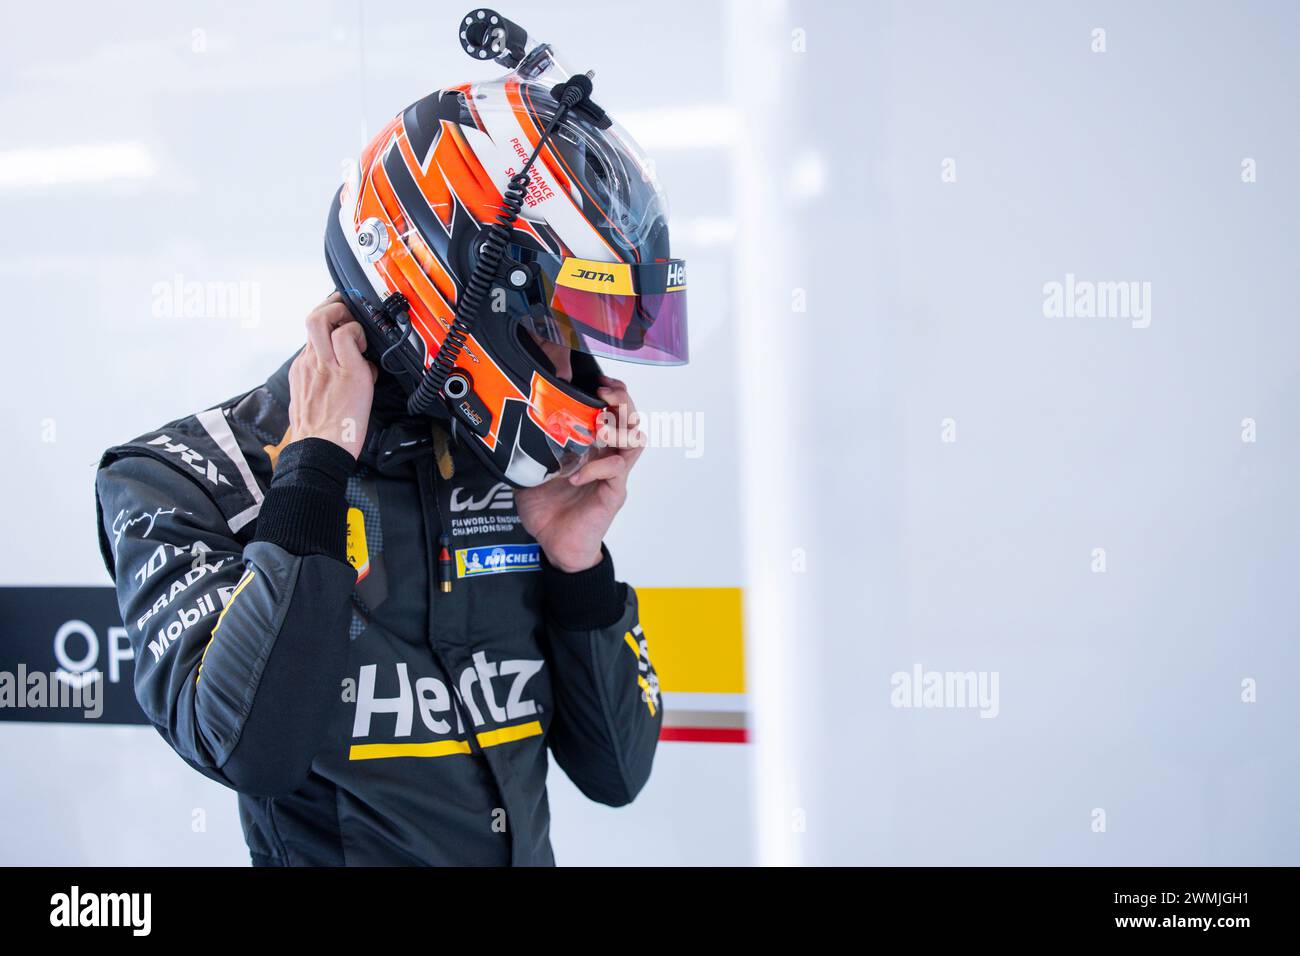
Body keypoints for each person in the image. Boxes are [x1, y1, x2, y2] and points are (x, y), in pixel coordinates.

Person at [93, 32, 685, 865]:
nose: (579, 373)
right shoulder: (177, 480)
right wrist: (313, 477)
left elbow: (617, 771)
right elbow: (249, 749)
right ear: (456, 285)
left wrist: (577, 564)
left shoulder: (509, 471)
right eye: (559, 327)